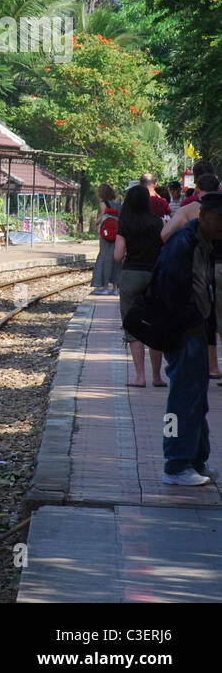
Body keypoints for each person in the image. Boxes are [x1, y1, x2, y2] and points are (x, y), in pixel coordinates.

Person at [152, 192, 222, 485]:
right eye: (220, 221)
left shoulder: (205, 244)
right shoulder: (183, 246)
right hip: (183, 333)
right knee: (181, 399)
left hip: (196, 330)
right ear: (203, 216)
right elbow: (169, 288)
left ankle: (195, 459)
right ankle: (176, 464)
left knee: (196, 400)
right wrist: (191, 321)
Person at [115, 185, 167, 388]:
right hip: (154, 276)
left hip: (131, 276)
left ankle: (140, 377)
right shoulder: (158, 222)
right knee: (155, 325)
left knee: (133, 326)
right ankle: (157, 377)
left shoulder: (125, 223)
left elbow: (118, 255)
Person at [92, 183, 121, 294]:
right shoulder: (118, 203)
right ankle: (115, 287)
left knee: (104, 258)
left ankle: (105, 286)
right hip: (117, 233)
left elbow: (103, 216)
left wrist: (97, 222)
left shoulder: (104, 203)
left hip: (106, 234)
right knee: (116, 259)